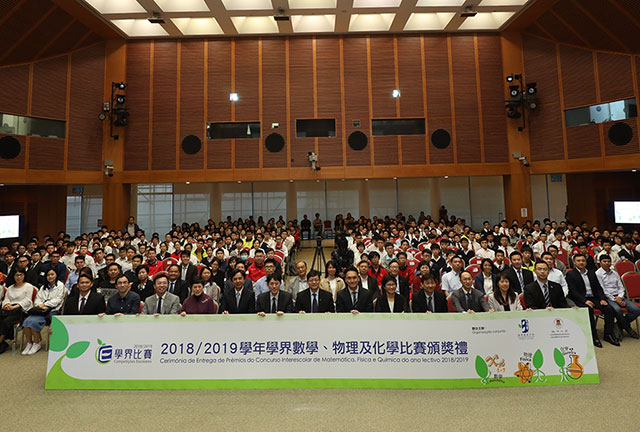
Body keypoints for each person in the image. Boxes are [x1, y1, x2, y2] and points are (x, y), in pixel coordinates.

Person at [566, 253, 616, 347]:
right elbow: (573, 291)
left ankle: (608, 334)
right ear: (574, 262)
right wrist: (584, 301)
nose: (581, 262)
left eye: (583, 260)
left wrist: (602, 299)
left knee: (608, 309)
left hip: (593, 297)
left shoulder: (592, 272)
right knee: (588, 310)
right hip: (580, 299)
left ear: (586, 262)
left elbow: (598, 288)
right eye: (578, 261)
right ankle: (593, 336)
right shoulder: (571, 274)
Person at [21, 268, 66, 355]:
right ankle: (29, 343)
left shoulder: (60, 286)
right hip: (40, 310)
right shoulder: (43, 287)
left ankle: (37, 343)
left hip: (52, 310)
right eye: (48, 275)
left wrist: (46, 304)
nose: (50, 277)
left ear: (56, 275)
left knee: (33, 322)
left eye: (52, 274)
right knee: (26, 322)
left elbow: (58, 300)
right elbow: (38, 299)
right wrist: (40, 305)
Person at [595, 255, 640, 340]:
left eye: (609, 261)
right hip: (608, 298)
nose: (607, 263)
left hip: (619, 296)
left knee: (636, 310)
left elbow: (621, 287)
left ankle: (619, 324)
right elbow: (602, 290)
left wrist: (619, 297)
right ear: (600, 263)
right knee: (617, 310)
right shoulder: (598, 274)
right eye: (604, 261)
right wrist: (615, 299)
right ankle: (628, 329)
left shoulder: (614, 273)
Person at [0, 269, 34, 354]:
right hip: (9, 309)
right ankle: (3, 342)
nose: (18, 277)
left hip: (21, 309)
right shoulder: (10, 288)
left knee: (6, 321)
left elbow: (28, 301)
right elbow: (6, 299)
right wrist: (7, 305)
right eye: (16, 275)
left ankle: (1, 340)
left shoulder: (28, 286)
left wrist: (15, 306)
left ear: (24, 275)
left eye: (20, 275)